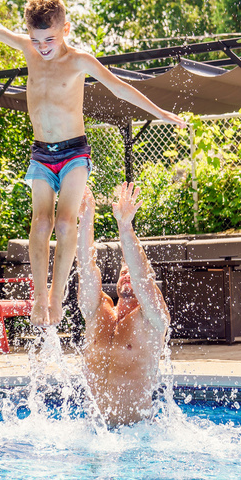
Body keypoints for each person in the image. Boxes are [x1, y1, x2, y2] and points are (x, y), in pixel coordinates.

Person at [0, 0, 185, 328]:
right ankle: (39, 298)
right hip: (41, 152)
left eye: (49, 39)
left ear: (65, 29)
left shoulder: (79, 60)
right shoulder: (29, 50)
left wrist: (159, 113)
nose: (43, 47)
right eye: (37, 40)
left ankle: (55, 297)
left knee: (66, 223)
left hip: (74, 153)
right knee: (41, 223)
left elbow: (119, 87)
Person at [76, 182, 170, 427]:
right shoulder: (98, 310)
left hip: (136, 438)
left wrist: (125, 226)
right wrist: (86, 218)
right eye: (122, 272)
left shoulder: (153, 320)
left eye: (132, 271)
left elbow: (142, 277)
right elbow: (86, 269)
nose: (127, 275)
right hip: (93, 435)